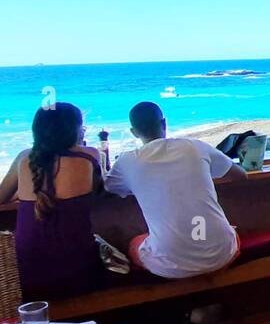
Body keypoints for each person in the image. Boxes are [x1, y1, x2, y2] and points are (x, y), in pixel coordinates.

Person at [104, 102, 246, 279]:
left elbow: (109, 189)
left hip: (170, 264)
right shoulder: (195, 147)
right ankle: (208, 299)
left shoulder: (127, 162)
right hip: (222, 254)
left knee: (134, 243)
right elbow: (240, 175)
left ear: (134, 132)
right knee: (223, 234)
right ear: (164, 123)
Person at [0, 102, 103, 299]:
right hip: (80, 275)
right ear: (76, 131)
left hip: (28, 279)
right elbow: (101, 191)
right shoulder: (90, 155)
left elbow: (1, 196)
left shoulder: (24, 158)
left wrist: (23, 192)